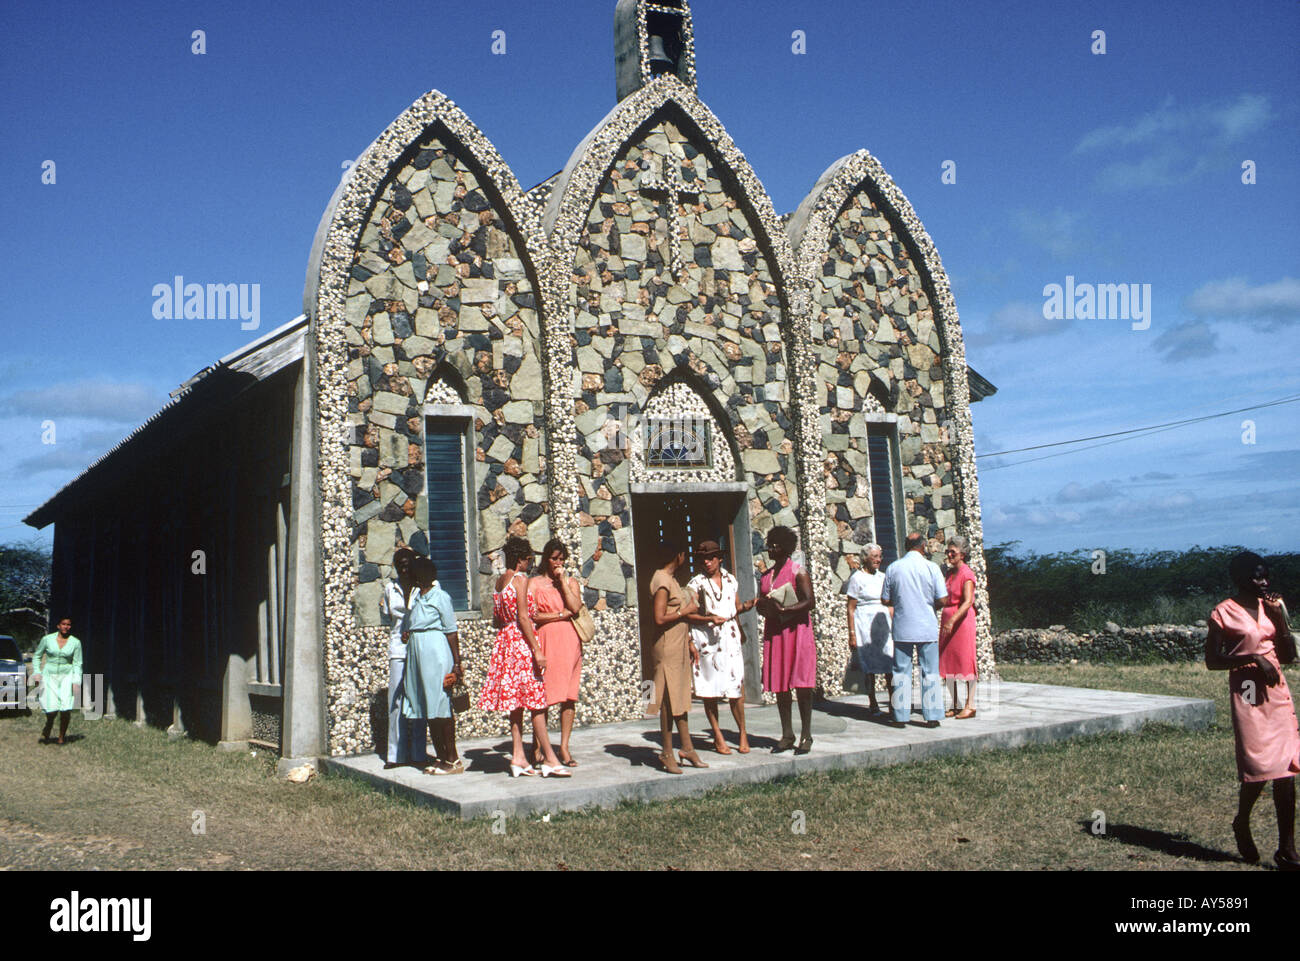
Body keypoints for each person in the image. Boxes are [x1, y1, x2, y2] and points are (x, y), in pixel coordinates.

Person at [1205, 551, 1300, 869]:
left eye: (1266, 576)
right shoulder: (1223, 612)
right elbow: (1213, 661)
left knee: (1286, 771)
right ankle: (1241, 821)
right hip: (1248, 694)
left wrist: (1279, 619)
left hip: (1277, 694)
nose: (1265, 582)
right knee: (1258, 768)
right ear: (1241, 579)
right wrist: (1253, 659)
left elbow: (1287, 657)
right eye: (1257, 577)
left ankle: (1286, 848)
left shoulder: (1271, 606)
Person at [478, 537, 570, 778]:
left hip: (505, 644)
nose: (530, 565)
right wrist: (537, 650)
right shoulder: (519, 579)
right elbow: (523, 617)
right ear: (520, 560)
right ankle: (550, 758)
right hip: (521, 643)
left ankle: (518, 756)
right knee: (536, 702)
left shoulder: (500, 582)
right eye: (528, 560)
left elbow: (498, 620)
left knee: (517, 704)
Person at [685, 539, 755, 754]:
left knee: (736, 686)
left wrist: (745, 610)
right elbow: (687, 614)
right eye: (703, 558)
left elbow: (734, 608)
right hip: (706, 640)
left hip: (729, 637)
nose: (707, 562)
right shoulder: (695, 584)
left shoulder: (730, 579)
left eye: (711, 558)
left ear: (719, 558)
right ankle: (718, 736)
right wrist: (706, 621)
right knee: (710, 689)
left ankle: (742, 732)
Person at [756, 525, 817, 753]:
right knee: (781, 685)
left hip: (797, 632)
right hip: (776, 634)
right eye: (770, 545)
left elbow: (810, 601)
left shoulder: (798, 572)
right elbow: (761, 600)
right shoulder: (766, 576)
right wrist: (764, 607)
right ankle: (787, 733)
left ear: (785, 547)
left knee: (801, 685)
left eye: (774, 545)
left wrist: (786, 610)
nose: (770, 549)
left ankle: (806, 735)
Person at [649, 540, 707, 773]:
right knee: (666, 701)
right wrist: (686, 611)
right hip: (666, 648)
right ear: (678, 556)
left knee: (680, 697)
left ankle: (687, 748)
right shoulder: (662, 580)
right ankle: (666, 752)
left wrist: (690, 641)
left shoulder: (671, 580)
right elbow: (659, 617)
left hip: (678, 645)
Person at [401, 556, 463, 774]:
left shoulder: (440, 596)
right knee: (427, 706)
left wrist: (457, 663)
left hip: (435, 653)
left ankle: (453, 759)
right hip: (418, 655)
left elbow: (451, 630)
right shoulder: (417, 596)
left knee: (440, 705)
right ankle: (441, 756)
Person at [881, 532, 948, 728]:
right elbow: (943, 598)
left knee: (901, 671)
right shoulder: (931, 567)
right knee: (930, 671)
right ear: (923, 546)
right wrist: (929, 604)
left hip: (903, 626)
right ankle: (932, 714)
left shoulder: (893, 568)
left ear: (905, 545)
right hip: (926, 625)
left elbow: (885, 599)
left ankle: (900, 715)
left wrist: (901, 602)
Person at [528, 538, 584, 767]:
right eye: (554, 559)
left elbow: (575, 607)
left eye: (561, 559)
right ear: (546, 558)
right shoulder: (534, 583)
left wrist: (562, 581)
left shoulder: (570, 582)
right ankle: (539, 745)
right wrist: (560, 615)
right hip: (547, 640)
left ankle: (564, 746)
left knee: (569, 697)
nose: (558, 563)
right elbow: (533, 615)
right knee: (544, 695)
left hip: (570, 641)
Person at [379, 547, 428, 768]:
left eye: (407, 563)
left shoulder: (423, 589)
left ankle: (419, 753)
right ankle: (394, 755)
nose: (403, 567)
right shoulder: (390, 589)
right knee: (395, 702)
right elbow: (387, 617)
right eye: (399, 564)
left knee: (418, 699)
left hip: (419, 649)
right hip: (398, 650)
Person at [845, 543, 893, 715]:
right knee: (869, 667)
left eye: (880, 556)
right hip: (864, 624)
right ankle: (872, 701)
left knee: (889, 663)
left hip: (883, 624)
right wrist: (852, 634)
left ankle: (894, 703)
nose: (878, 560)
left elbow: (890, 602)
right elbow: (850, 608)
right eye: (874, 557)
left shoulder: (883, 577)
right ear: (865, 558)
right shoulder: (857, 578)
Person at [939, 535, 978, 719]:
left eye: (953, 552)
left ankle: (970, 705)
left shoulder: (966, 574)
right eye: (948, 551)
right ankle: (955, 703)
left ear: (962, 554)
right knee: (947, 662)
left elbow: (968, 601)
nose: (949, 555)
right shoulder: (949, 573)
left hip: (961, 623)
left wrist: (952, 620)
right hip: (948, 622)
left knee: (965, 661)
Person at [31, 617, 82, 745]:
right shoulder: (47, 639)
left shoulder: (75, 643)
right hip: (50, 675)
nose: (66, 627)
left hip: (67, 675)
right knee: (51, 708)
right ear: (58, 625)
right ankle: (49, 724)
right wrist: (37, 672)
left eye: (68, 625)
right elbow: (37, 656)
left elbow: (77, 663)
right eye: (63, 624)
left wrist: (76, 681)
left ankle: (61, 737)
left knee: (66, 708)